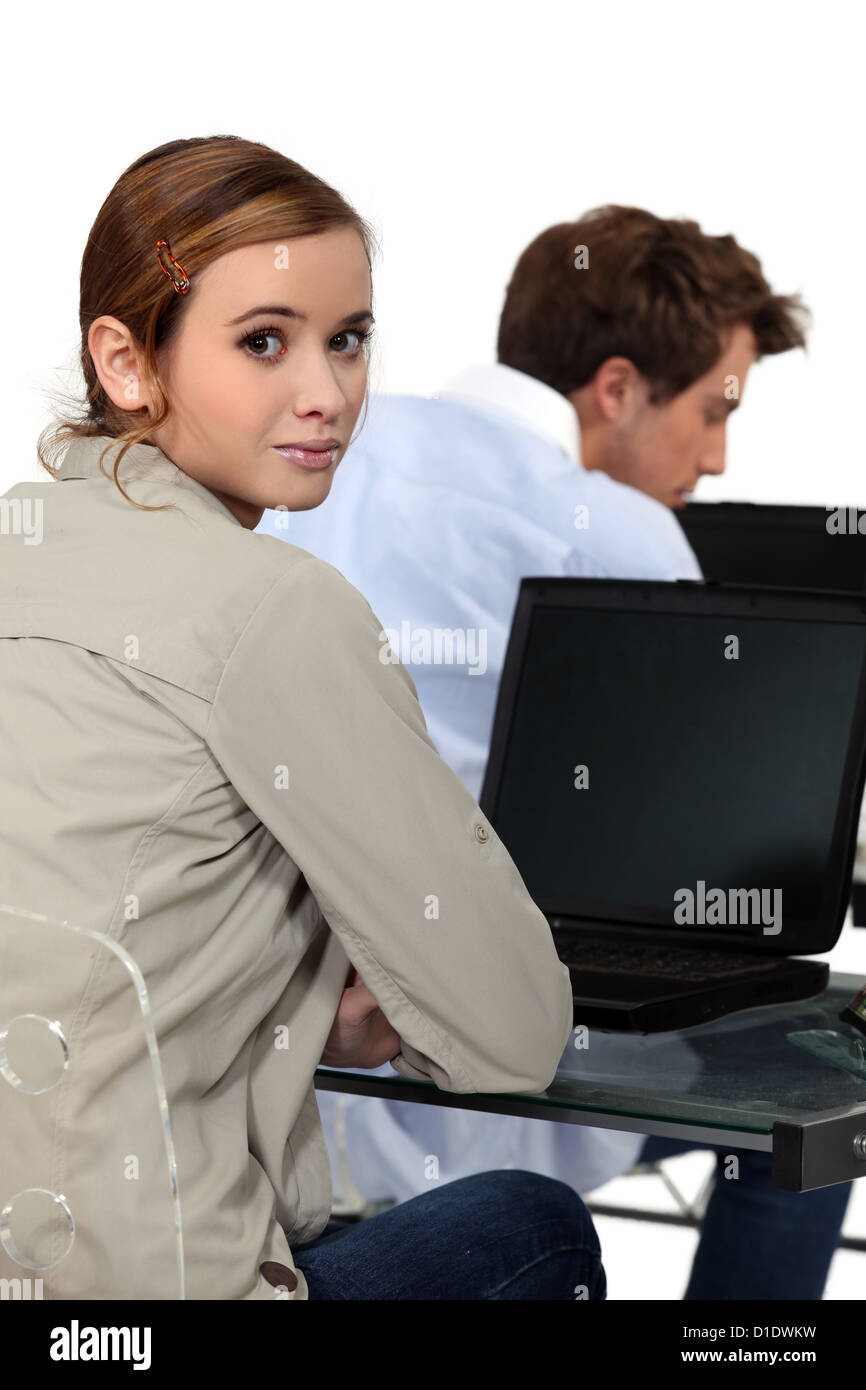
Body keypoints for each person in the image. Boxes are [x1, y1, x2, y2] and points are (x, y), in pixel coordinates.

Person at [0, 134, 607, 1302]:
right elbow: (515, 1036)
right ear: (126, 360)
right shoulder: (275, 610)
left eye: (349, 339)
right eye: (264, 341)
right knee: (534, 1225)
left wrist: (285, 998)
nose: (325, 393)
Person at [257, 206, 849, 1300]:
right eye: (710, 414)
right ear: (616, 388)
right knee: (801, 1128)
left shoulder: (319, 443)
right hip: (450, 1076)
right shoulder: (612, 528)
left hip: (268, 1072)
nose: (714, 459)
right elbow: (701, 851)